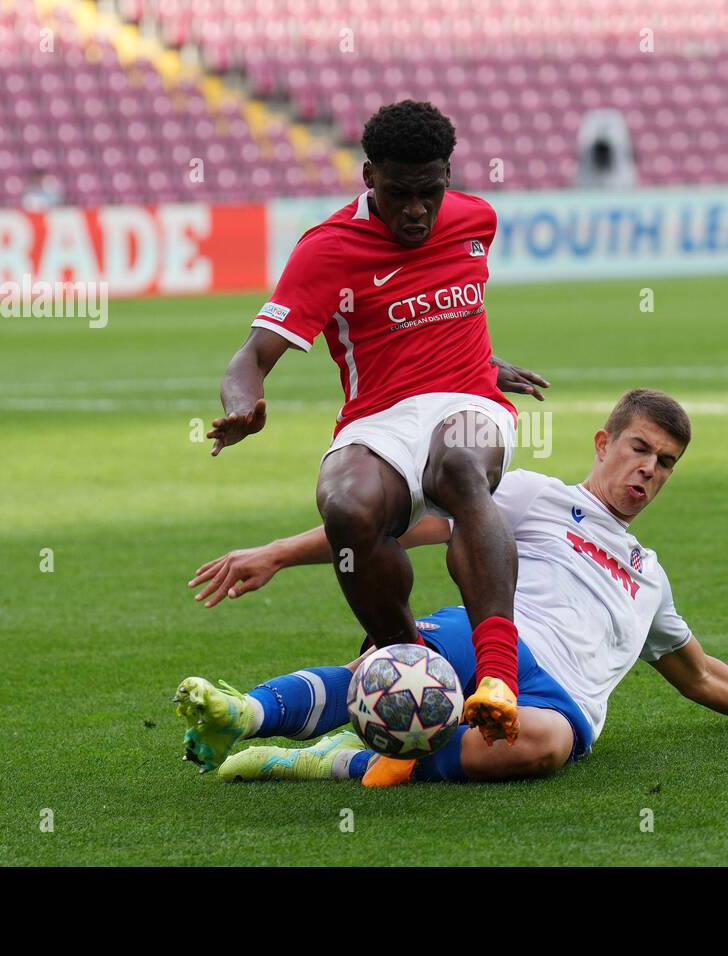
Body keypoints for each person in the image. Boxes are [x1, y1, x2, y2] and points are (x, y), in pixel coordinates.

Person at [178, 389, 728, 787]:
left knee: (545, 748)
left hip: (559, 702)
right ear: (604, 443)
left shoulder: (651, 576)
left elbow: (703, 677)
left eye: (665, 463)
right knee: (407, 664)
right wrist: (275, 552)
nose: (649, 471)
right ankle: (246, 715)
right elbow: (400, 526)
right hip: (495, 641)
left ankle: (333, 760)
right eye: (640, 449)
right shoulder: (536, 497)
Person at [204, 100, 547, 745]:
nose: (416, 211)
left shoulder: (477, 219)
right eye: (398, 194)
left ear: (447, 176)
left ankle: (497, 674)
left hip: (466, 402)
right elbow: (251, 355)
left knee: (459, 470)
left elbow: (449, 311)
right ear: (368, 176)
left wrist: (487, 365)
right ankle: (410, 662)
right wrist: (239, 406)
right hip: (379, 416)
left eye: (430, 192)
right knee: (347, 506)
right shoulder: (327, 250)